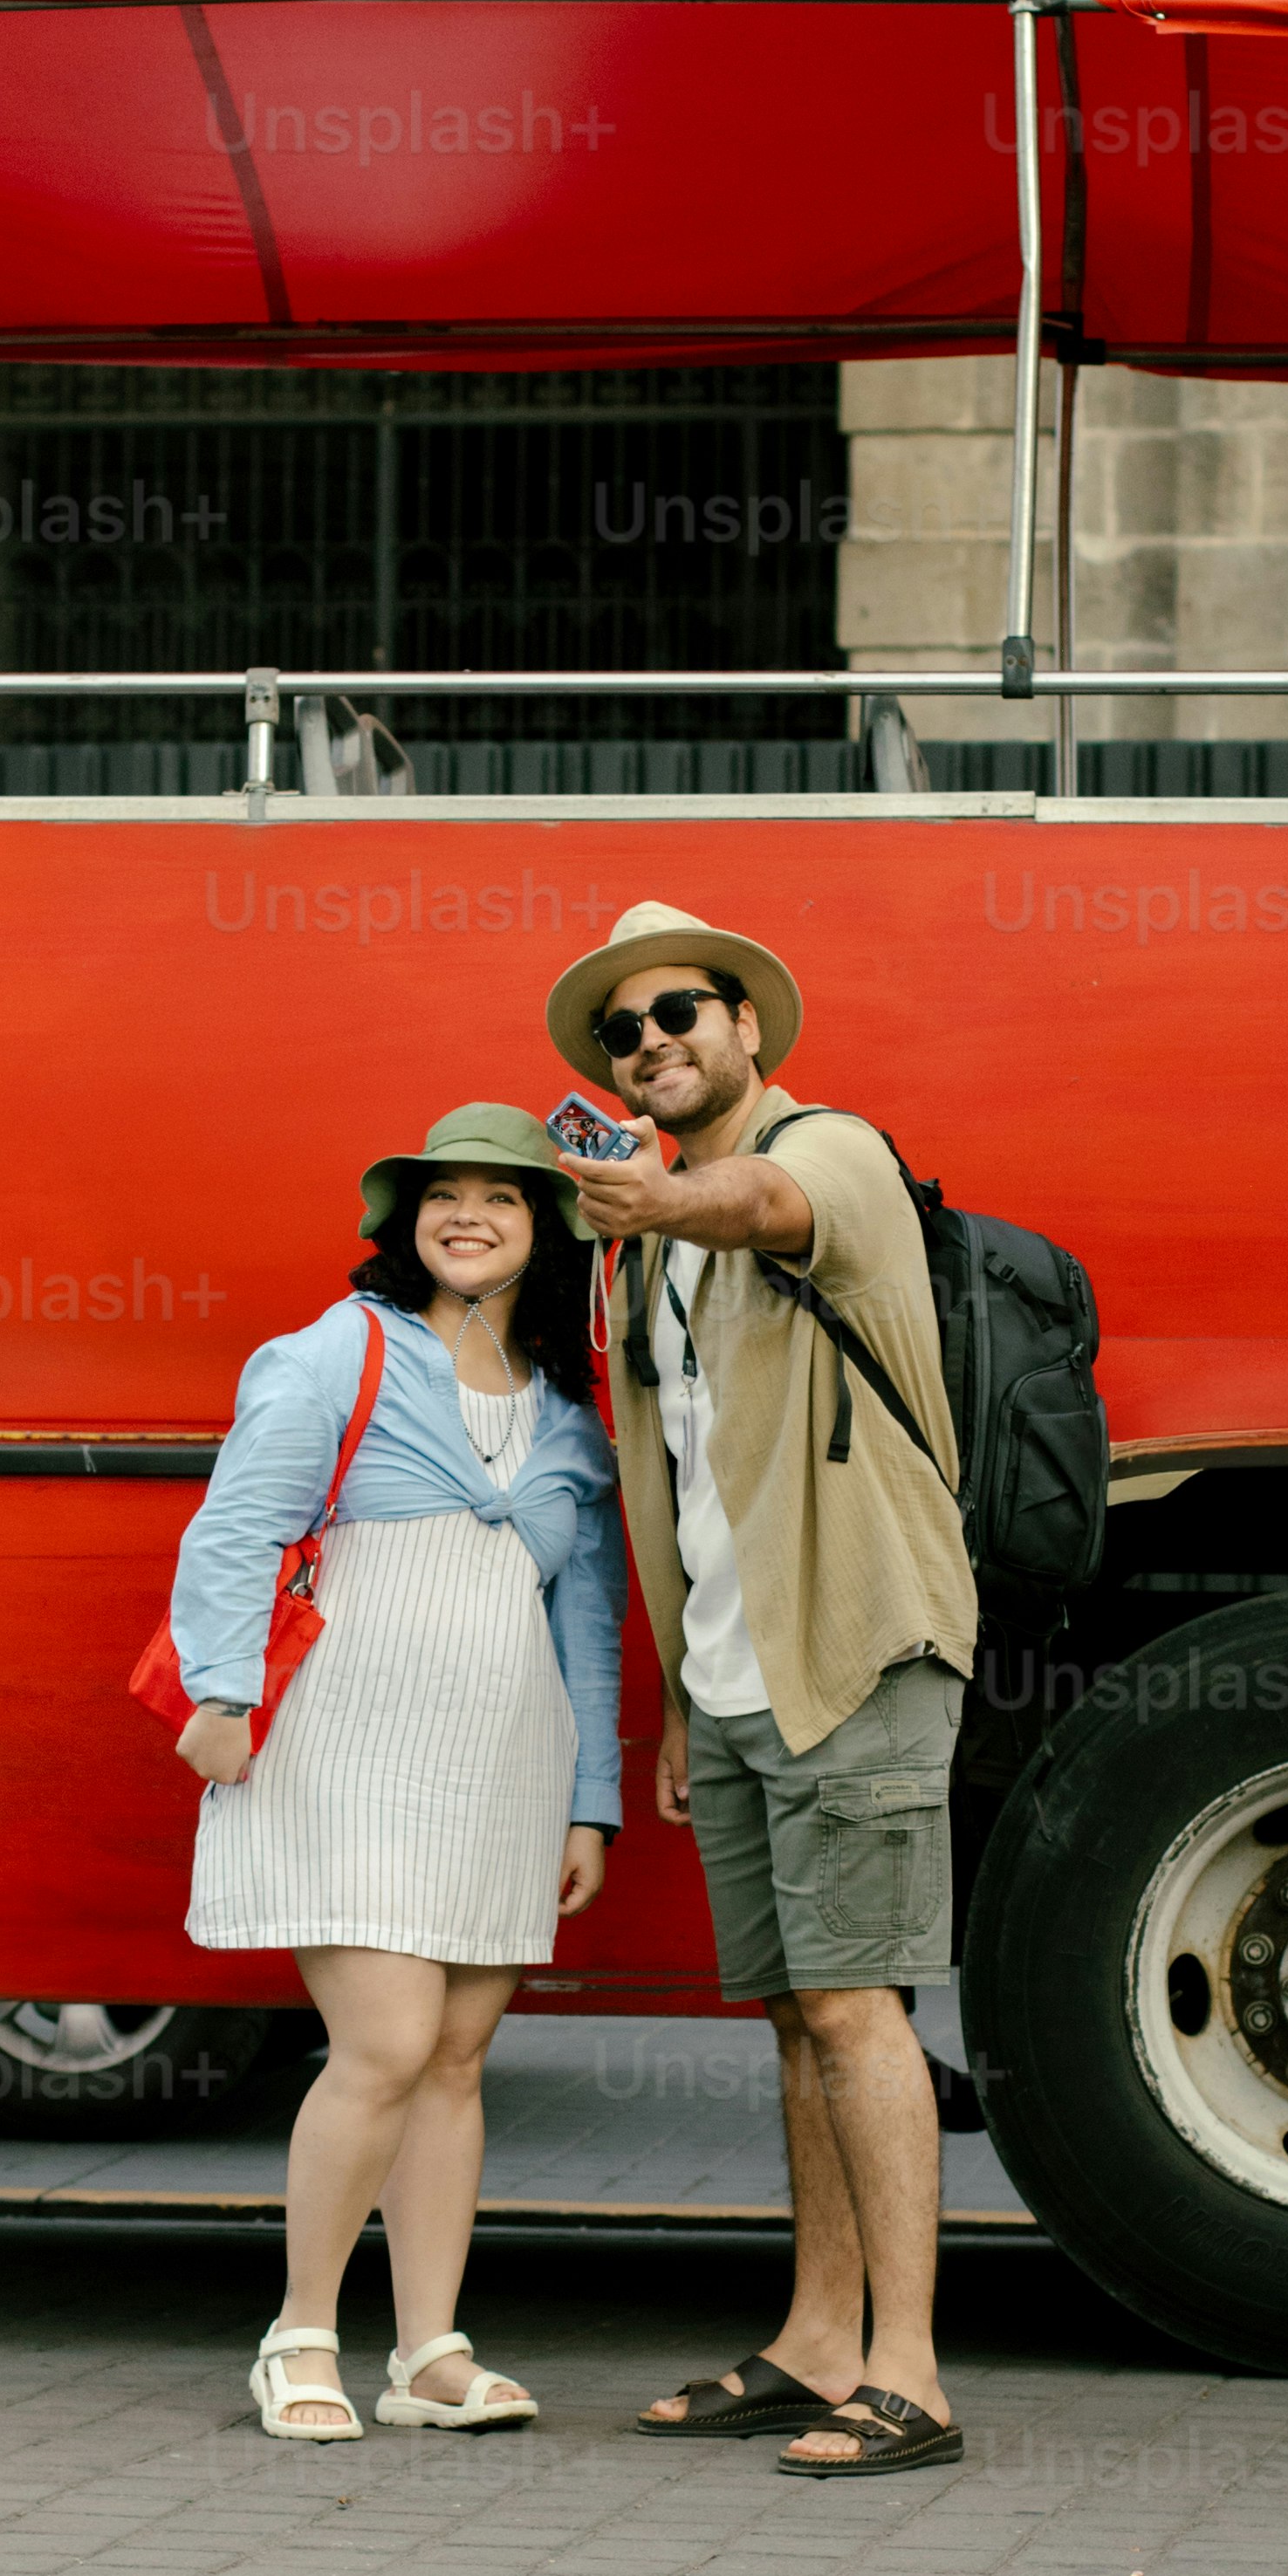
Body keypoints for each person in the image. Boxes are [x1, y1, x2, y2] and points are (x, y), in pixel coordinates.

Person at [545, 901, 979, 2480]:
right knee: (798, 2013)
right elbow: (674, 1481)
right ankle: (813, 2342)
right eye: (621, 1032)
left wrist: (656, 1194)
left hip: (849, 1644)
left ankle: (911, 2376)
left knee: (861, 2007)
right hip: (736, 1679)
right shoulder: (638, 1255)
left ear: (746, 1027)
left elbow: (761, 1199)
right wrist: (674, 1695)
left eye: (679, 1013)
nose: (649, 1043)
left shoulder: (830, 1151)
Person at [171, 1102, 624, 2442]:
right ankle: (298, 2337)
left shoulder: (562, 1408)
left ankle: (428, 2354)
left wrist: (589, 1794)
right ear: (405, 1220)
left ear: (544, 1230)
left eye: (502, 1195)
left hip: (501, 1758)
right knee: (381, 2044)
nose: (466, 1214)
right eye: (443, 1194)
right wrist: (221, 1690)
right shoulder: (340, 1351)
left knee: (457, 2059)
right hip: (349, 1739)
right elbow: (237, 1525)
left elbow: (583, 1617)